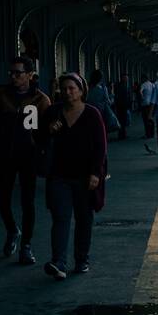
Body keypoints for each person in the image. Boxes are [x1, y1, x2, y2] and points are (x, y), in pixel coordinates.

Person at [43, 72, 107, 279]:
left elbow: (100, 146)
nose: (68, 92)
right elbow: (37, 137)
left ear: (81, 91)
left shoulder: (92, 114)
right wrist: (48, 130)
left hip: (84, 177)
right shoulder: (53, 112)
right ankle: (59, 262)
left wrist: (96, 173)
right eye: (64, 88)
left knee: (83, 218)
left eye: (72, 88)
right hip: (59, 175)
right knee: (60, 218)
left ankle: (81, 259)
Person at [0, 55, 51, 263]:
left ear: (30, 75)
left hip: (28, 158)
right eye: (11, 73)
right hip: (5, 157)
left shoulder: (41, 100)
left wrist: (42, 155)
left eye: (18, 73)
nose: (13, 77)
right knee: (2, 200)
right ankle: (12, 230)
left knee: (28, 202)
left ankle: (26, 245)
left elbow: (46, 131)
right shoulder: (2, 98)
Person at [113, 73, 132, 140]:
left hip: (123, 105)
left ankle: (123, 134)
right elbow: (120, 97)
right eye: (125, 78)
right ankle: (121, 135)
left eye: (127, 78)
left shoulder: (125, 85)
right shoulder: (120, 86)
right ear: (122, 78)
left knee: (123, 121)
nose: (127, 79)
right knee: (122, 120)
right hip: (121, 106)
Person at [139, 75, 156, 141]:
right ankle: (152, 133)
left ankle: (147, 134)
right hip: (151, 104)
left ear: (144, 78)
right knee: (151, 119)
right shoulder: (152, 84)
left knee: (145, 120)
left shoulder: (143, 84)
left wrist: (142, 97)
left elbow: (140, 91)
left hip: (145, 104)